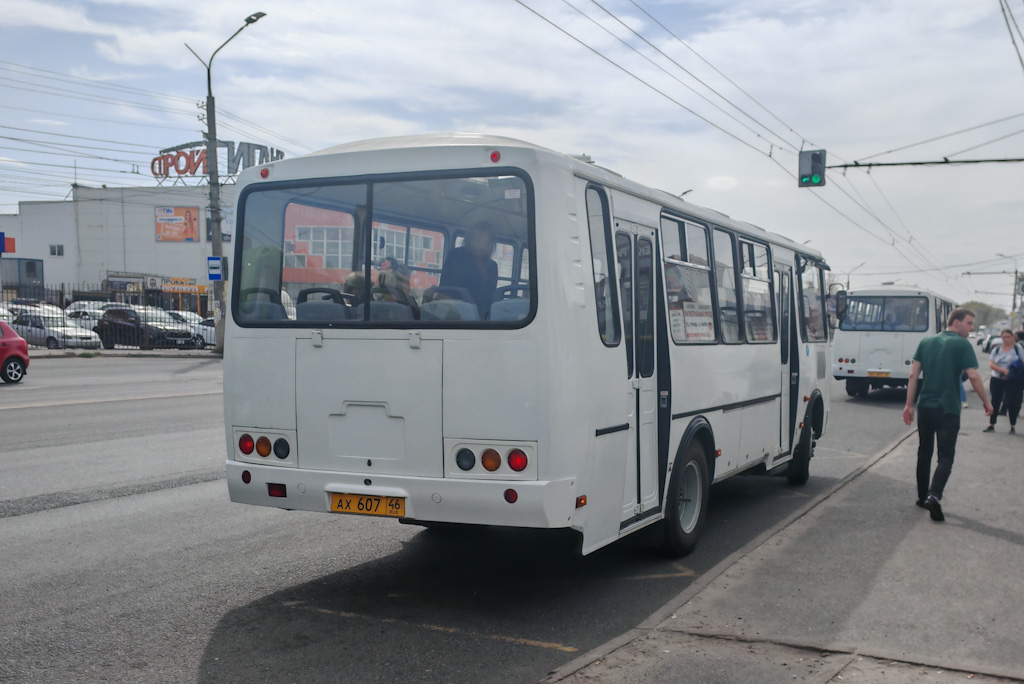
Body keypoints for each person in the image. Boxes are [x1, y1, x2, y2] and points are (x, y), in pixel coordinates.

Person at [902, 307, 993, 522]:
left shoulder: (926, 342)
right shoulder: (962, 344)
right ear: (956, 322)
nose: (971, 328)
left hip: (925, 406)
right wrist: (986, 402)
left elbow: (913, 374)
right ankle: (934, 495)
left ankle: (922, 496)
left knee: (924, 452)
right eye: (969, 323)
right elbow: (973, 376)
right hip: (948, 408)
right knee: (946, 456)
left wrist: (908, 405)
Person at [439, 222, 498, 318]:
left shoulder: (493, 267)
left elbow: (490, 298)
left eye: (486, 243)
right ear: (470, 239)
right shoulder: (456, 256)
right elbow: (448, 288)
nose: (481, 246)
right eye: (478, 240)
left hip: (482, 316)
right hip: (453, 313)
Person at [983, 329, 1023, 434]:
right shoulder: (996, 349)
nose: (1006, 339)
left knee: (1012, 402)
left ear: (1012, 337)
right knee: (995, 401)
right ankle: (991, 424)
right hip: (997, 378)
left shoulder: (1018, 349)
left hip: (1012, 380)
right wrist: (1003, 370)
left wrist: (1013, 371)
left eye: (1008, 337)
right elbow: (991, 364)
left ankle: (1012, 426)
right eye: (1004, 337)